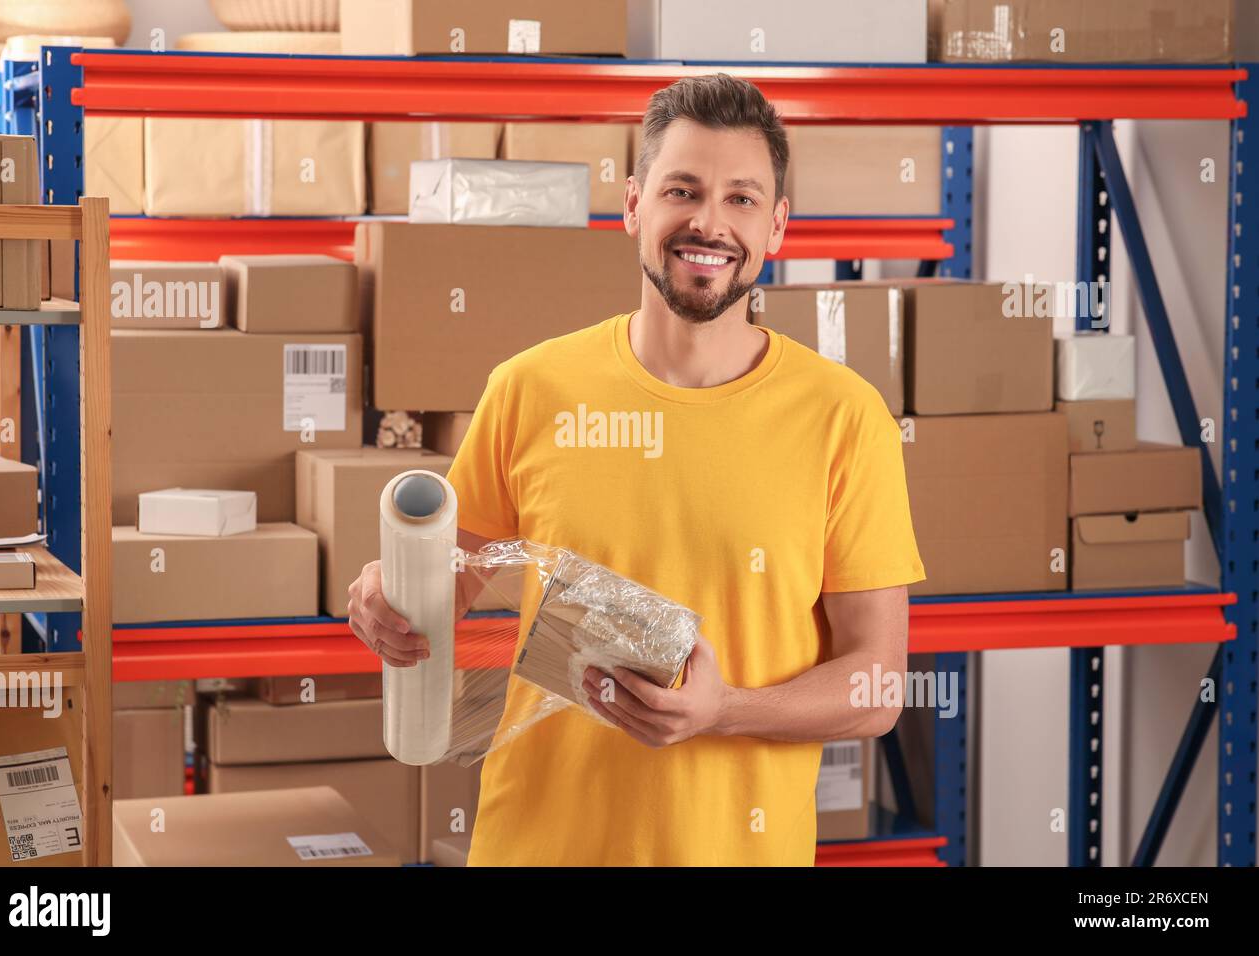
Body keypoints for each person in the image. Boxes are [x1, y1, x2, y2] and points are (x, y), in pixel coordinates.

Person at [347, 73, 925, 866]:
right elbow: (439, 591)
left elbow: (877, 688)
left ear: (779, 227)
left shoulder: (844, 419)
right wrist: (385, 598)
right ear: (633, 206)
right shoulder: (531, 390)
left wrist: (724, 709)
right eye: (682, 189)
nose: (709, 222)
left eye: (742, 199)